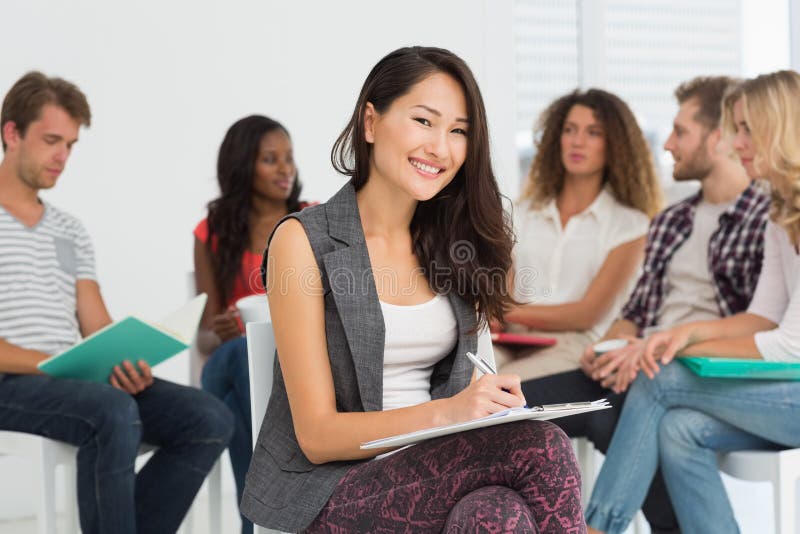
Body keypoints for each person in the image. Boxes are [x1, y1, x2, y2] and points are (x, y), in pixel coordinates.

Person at [240, 46, 586, 533]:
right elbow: (317, 435)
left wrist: (491, 403)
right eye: (424, 121)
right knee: (544, 446)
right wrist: (449, 413)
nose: (441, 148)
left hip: (439, 473)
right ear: (371, 122)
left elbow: (473, 383)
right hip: (333, 490)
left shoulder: (457, 243)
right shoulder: (304, 240)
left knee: (496, 517)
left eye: (459, 131)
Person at [521, 76, 770, 534]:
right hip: (644, 366)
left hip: (699, 371)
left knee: (613, 406)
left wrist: (650, 350)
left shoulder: (765, 215)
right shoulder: (673, 221)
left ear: (718, 138)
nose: (669, 144)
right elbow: (636, 311)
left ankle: (596, 527)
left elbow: (764, 325)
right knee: (522, 404)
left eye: (680, 131)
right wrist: (611, 349)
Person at [0, 71, 234, 534]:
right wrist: (60, 363)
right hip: (12, 381)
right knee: (111, 410)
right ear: (12, 133)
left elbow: (97, 327)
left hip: (70, 379)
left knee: (208, 417)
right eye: (51, 140)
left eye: (70, 144)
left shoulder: (70, 230)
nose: (62, 156)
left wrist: (123, 359)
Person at [584, 70, 800, 534]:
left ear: (777, 128)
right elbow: (761, 316)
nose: (735, 142)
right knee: (677, 429)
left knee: (658, 377)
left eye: (745, 129)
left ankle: (597, 528)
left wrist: (675, 349)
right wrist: (681, 334)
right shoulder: (781, 212)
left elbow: (790, 347)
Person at [194, 114, 310, 534]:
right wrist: (222, 328)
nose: (285, 169)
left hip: (293, 365)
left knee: (233, 407)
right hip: (233, 359)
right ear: (244, 165)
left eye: (289, 158)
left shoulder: (310, 220)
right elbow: (204, 336)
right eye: (270, 159)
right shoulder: (211, 233)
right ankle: (291, 502)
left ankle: (259, 526)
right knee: (245, 352)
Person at [494, 89, 661, 381]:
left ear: (615, 146)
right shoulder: (522, 214)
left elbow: (587, 314)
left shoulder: (630, 225)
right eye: (569, 130)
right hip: (512, 339)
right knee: (463, 381)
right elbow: (502, 288)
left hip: (573, 344)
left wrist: (506, 312)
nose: (577, 141)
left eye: (593, 132)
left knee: (503, 389)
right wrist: (502, 315)